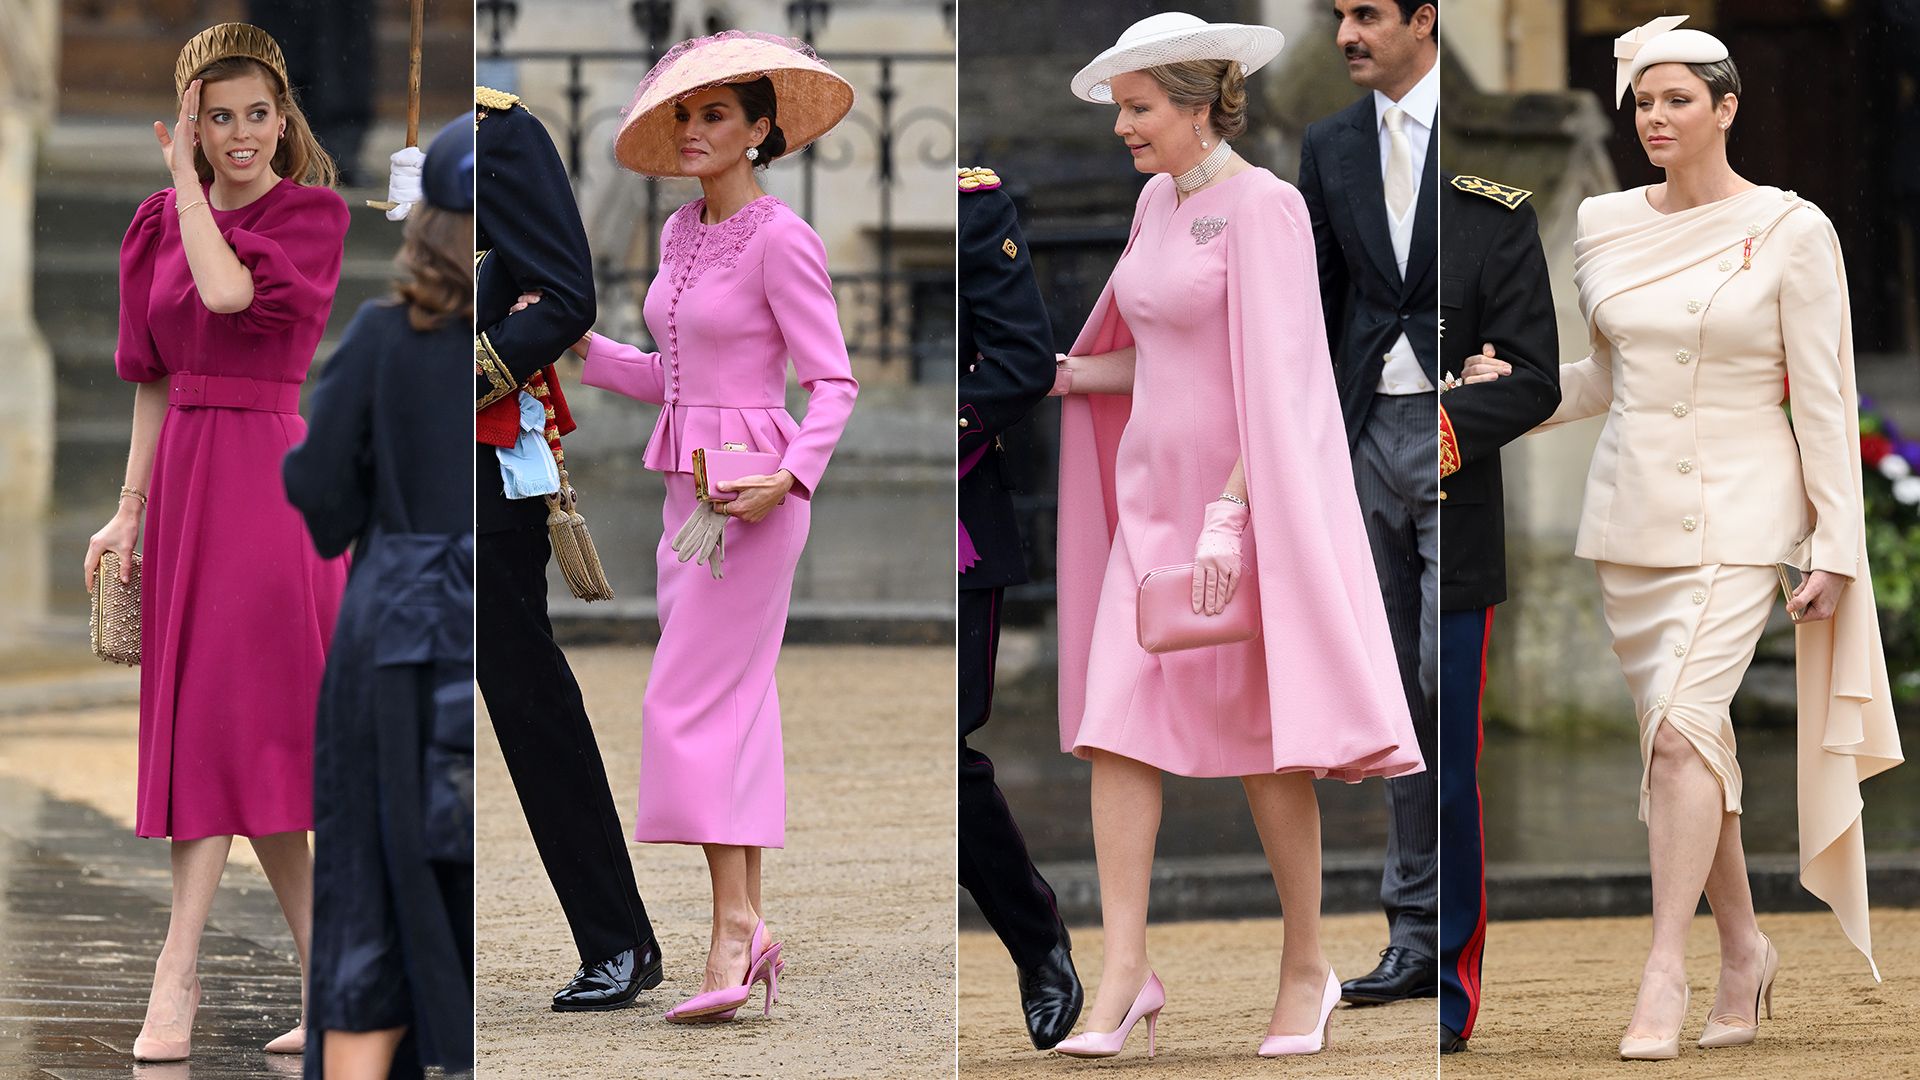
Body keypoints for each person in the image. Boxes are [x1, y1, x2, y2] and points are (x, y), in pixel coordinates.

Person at [1467, 15, 1904, 1059]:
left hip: (1747, 516)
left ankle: (1667, 963)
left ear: (1726, 109)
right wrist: (1505, 395)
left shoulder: (1794, 230)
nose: (1656, 117)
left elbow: (1826, 397)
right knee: (1685, 749)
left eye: (1677, 100)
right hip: (1633, 519)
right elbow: (1612, 381)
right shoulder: (1606, 223)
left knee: (1677, 736)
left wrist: (1837, 548)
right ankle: (1745, 947)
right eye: (1644, 101)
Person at [1048, 13, 1423, 1060]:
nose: (1123, 127)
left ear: (1199, 104)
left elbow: (1286, 380)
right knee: (1111, 725)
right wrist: (1069, 375)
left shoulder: (1266, 208)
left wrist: (1229, 517)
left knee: (1267, 746)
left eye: (1139, 108)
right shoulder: (1154, 200)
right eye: (1122, 108)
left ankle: (1308, 964)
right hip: (1147, 513)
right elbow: (1161, 355)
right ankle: (1124, 973)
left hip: (1238, 519)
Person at [573, 30, 859, 1024]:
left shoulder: (784, 236)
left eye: (716, 116)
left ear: (760, 131)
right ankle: (746, 925)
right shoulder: (679, 235)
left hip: (756, 497)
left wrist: (792, 475)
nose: (694, 131)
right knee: (732, 707)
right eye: (685, 115)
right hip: (685, 492)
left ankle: (733, 928)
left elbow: (832, 381)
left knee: (682, 701)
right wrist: (581, 346)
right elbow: (675, 376)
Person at [82, 22, 348, 1062]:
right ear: (191, 122)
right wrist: (129, 509)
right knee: (245, 744)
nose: (241, 135)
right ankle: (338, 975)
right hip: (188, 484)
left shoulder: (313, 215)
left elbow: (232, 294)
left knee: (227, 736)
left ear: (283, 119)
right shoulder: (153, 224)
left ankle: (175, 974)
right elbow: (153, 373)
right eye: (217, 117)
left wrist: (188, 185)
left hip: (273, 489)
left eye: (255, 115)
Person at [283, 113, 476, 1080]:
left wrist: (357, 519)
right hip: (482, 617)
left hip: (397, 616)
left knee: (370, 884)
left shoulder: (383, 338)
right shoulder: (520, 351)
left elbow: (319, 485)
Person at [474, 85, 663, 1012]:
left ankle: (616, 937)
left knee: (526, 701)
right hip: (386, 456)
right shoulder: (351, 143)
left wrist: (458, 373)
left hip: (477, 457)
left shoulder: (495, 133)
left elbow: (566, 295)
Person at [1296, 0, 1441, 1008]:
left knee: (1442, 668)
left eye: (1368, 14)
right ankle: (1415, 928)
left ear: (1425, 19)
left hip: (1457, 434)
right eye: (1338, 15)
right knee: (1395, 692)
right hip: (1360, 438)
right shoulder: (1328, 144)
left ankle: (1457, 918)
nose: (1348, 33)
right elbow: (1321, 296)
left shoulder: (1479, 132)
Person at [1432, 172, 1562, 1053]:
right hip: (1332, 520)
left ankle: (1441, 982)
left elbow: (1532, 380)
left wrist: (1434, 420)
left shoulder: (1488, 220)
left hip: (1448, 529)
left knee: (1440, 768)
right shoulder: (1311, 213)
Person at [955, 164, 1082, 1050]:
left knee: (944, 748)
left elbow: (1023, 361)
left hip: (957, 515)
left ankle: (1039, 949)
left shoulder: (976, 203)